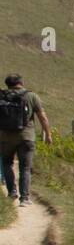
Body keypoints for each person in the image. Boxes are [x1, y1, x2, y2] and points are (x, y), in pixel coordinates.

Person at [1, 74, 52, 207]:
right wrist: (48, 134)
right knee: (25, 167)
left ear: (7, 84)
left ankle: (12, 192)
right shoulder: (31, 96)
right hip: (26, 137)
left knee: (7, 164)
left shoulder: (2, 96)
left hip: (5, 138)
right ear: (21, 82)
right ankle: (24, 198)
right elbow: (42, 117)